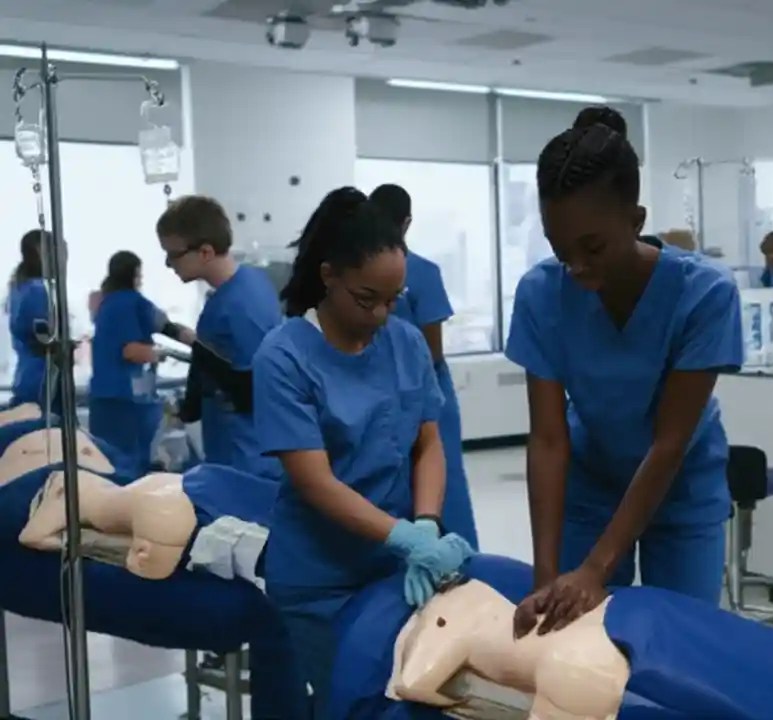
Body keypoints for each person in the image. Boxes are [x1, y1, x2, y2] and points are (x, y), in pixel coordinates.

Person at [504, 106, 743, 639]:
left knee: (678, 648)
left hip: (679, 485)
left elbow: (669, 443)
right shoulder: (542, 293)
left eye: (592, 247)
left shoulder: (703, 293)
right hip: (590, 483)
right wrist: (547, 577)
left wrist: (595, 569)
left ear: (636, 221)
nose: (576, 267)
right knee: (568, 638)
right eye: (559, 250)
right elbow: (547, 439)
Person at [252, 187, 473, 716]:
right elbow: (315, 481)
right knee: (348, 703)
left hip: (395, 572)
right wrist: (404, 538)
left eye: (393, 300)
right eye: (366, 299)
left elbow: (427, 443)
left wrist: (424, 523)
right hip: (319, 579)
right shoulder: (284, 356)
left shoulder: (405, 343)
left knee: (408, 700)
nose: (381, 314)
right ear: (328, 276)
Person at [367, 183, 478, 549]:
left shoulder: (421, 273)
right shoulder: (375, 272)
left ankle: (459, 557)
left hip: (424, 389)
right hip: (389, 390)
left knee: (444, 480)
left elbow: (432, 352)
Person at [157, 196, 282, 479]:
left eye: (173, 254)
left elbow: (254, 390)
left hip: (247, 460)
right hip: (230, 449)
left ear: (205, 252)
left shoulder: (242, 304)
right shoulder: (236, 290)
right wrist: (189, 407)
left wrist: (196, 348)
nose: (168, 263)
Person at [88, 251, 174, 477]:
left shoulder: (106, 303)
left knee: (107, 463)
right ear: (135, 274)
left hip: (104, 398)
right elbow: (132, 351)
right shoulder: (132, 303)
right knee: (130, 467)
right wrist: (158, 353)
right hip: (127, 400)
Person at [7, 230, 54, 409]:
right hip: (40, 380)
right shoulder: (37, 291)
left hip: (25, 376)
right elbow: (44, 340)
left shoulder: (18, 288)